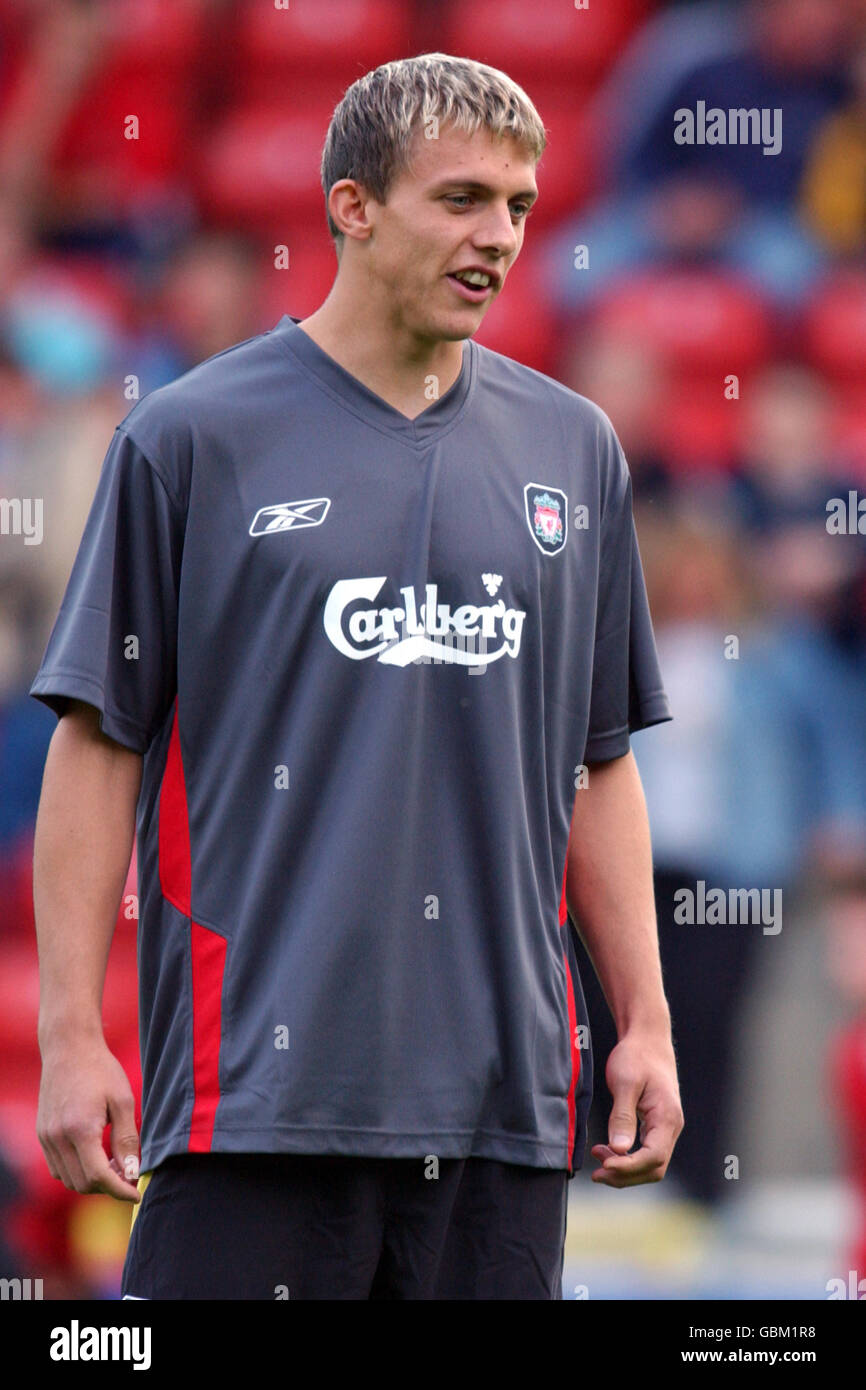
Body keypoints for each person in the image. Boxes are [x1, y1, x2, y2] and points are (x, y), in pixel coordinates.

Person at [30, 53, 682, 1301]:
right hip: (254, 1106)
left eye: (520, 207)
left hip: (502, 1113)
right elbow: (98, 742)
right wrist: (70, 1034)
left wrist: (643, 1018)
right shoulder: (190, 438)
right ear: (351, 207)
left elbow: (599, 762)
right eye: (461, 200)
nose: (497, 236)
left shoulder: (574, 449)